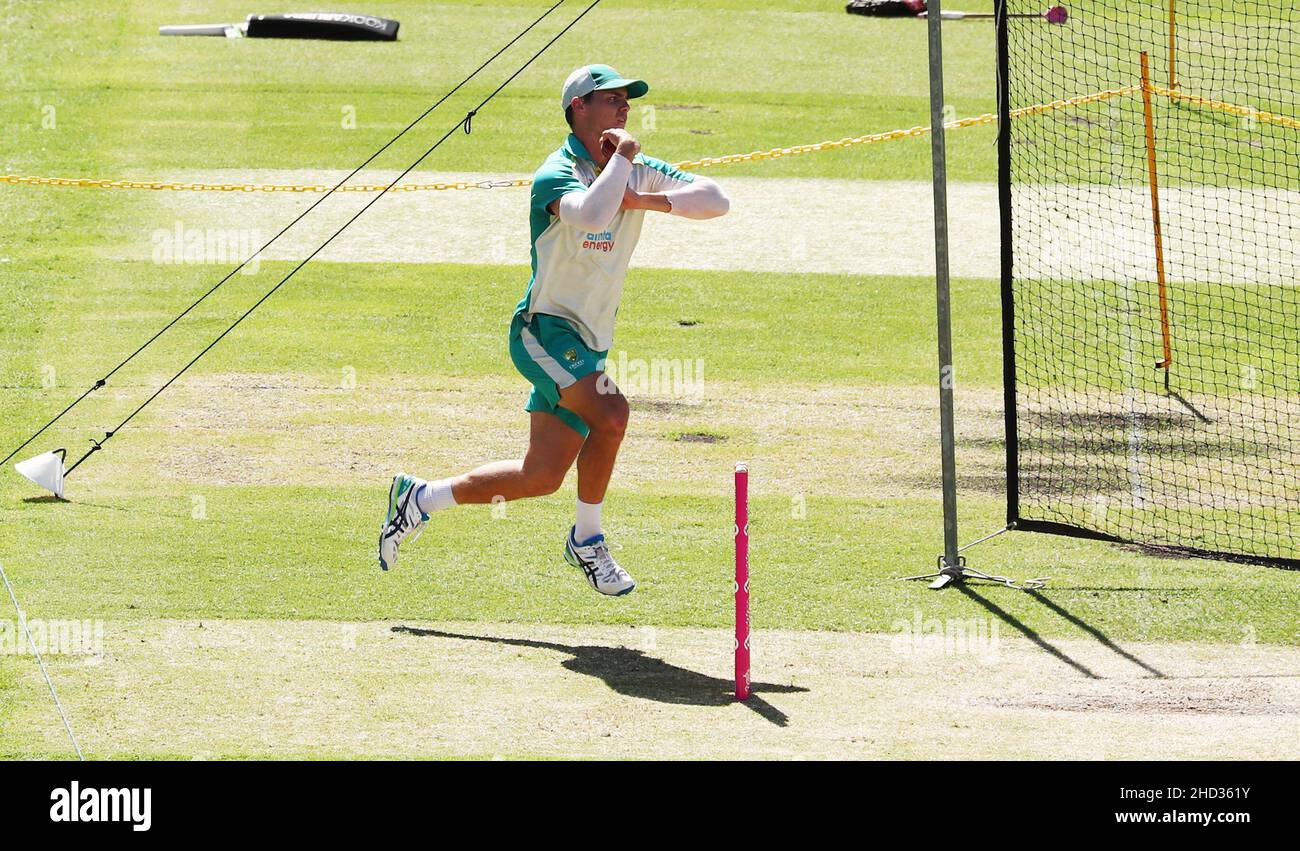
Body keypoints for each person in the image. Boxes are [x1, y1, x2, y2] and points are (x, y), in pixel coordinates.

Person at [379, 64, 730, 594]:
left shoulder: (632, 172)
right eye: (610, 98)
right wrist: (625, 166)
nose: (624, 107)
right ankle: (587, 540)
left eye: (626, 99)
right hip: (543, 333)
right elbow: (590, 215)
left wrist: (640, 196)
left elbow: (715, 200)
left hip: (589, 342)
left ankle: (419, 498)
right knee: (612, 412)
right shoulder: (557, 172)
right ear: (579, 109)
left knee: (540, 477)